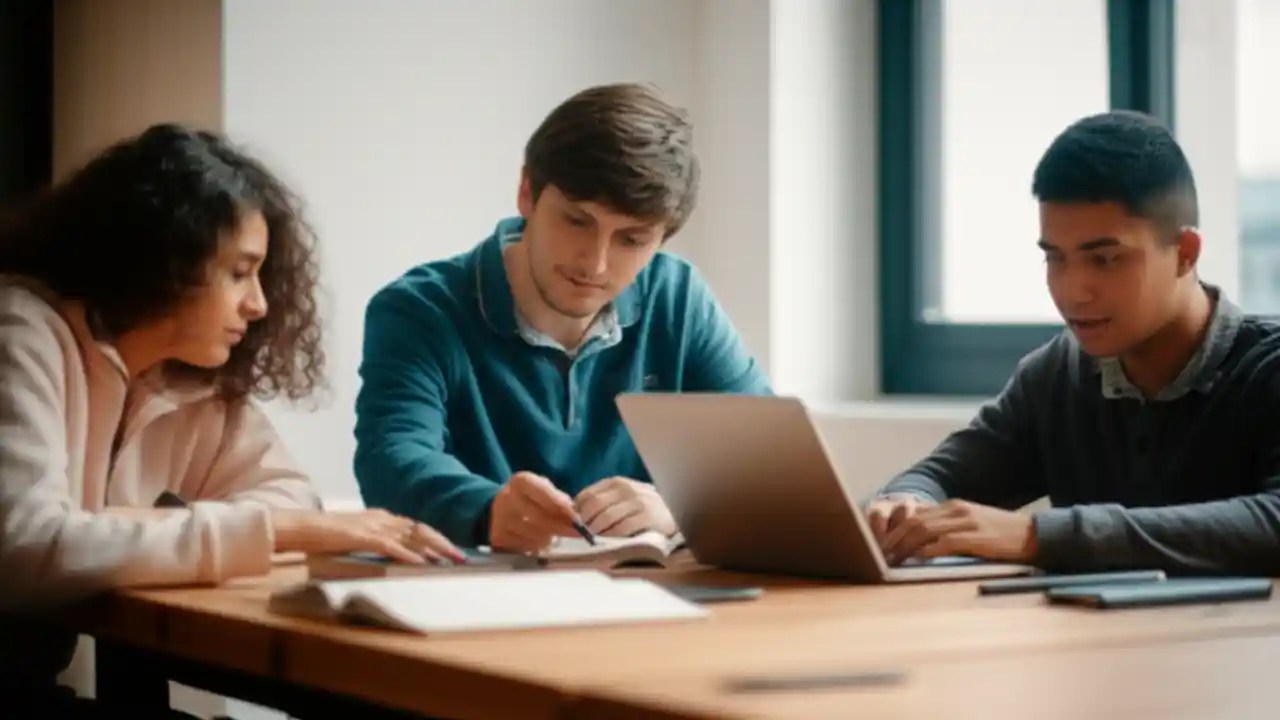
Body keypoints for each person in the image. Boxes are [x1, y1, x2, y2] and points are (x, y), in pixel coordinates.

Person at [0, 124, 461, 717]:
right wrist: (281, 534)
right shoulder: (21, 332)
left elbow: (289, 492)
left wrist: (119, 523)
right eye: (240, 272)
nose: (261, 303)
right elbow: (21, 549)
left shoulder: (187, 380)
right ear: (163, 259)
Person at [355, 83, 770, 551]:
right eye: (577, 221)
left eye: (631, 241)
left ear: (662, 239)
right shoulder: (419, 310)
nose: (594, 264)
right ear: (527, 193)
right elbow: (390, 460)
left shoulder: (677, 298)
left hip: (645, 602)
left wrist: (680, 507)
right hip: (478, 605)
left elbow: (769, 459)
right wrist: (488, 511)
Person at [867, 110, 1280, 575]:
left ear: (1185, 253)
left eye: (1105, 259)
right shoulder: (1058, 374)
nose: (1072, 289)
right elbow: (942, 476)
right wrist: (905, 504)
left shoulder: (1268, 368)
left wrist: (1036, 536)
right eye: (1055, 258)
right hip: (1095, 646)